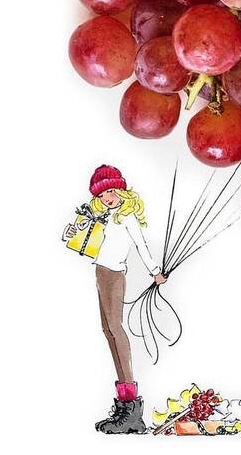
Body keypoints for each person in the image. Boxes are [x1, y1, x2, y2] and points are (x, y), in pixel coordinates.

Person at [62, 164, 166, 434]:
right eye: (101, 194)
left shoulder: (126, 217)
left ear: (121, 190)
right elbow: (73, 236)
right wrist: (73, 230)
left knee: (115, 329)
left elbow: (141, 245)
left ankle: (131, 407)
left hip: (114, 275)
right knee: (107, 329)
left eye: (110, 191)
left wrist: (155, 272)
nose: (107, 198)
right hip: (101, 272)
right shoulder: (102, 216)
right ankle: (125, 404)